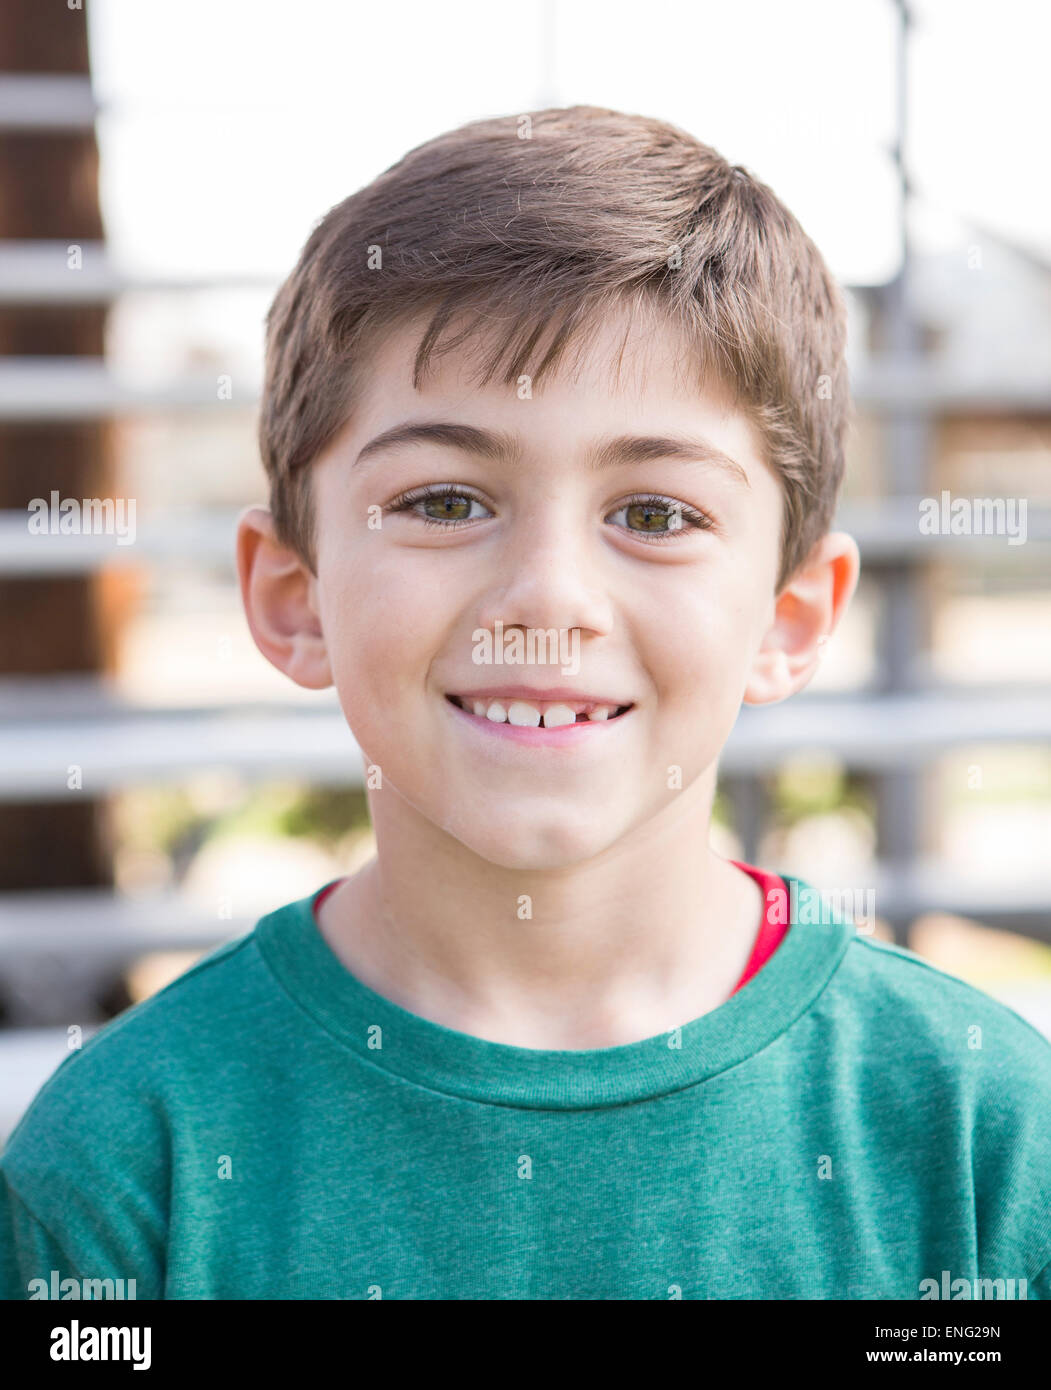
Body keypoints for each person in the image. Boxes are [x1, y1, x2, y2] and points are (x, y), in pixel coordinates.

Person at [2, 106, 1048, 1300]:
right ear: (293, 597)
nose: (546, 598)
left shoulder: (984, 1143)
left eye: (654, 513)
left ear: (790, 615)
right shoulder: (129, 1164)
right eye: (445, 500)